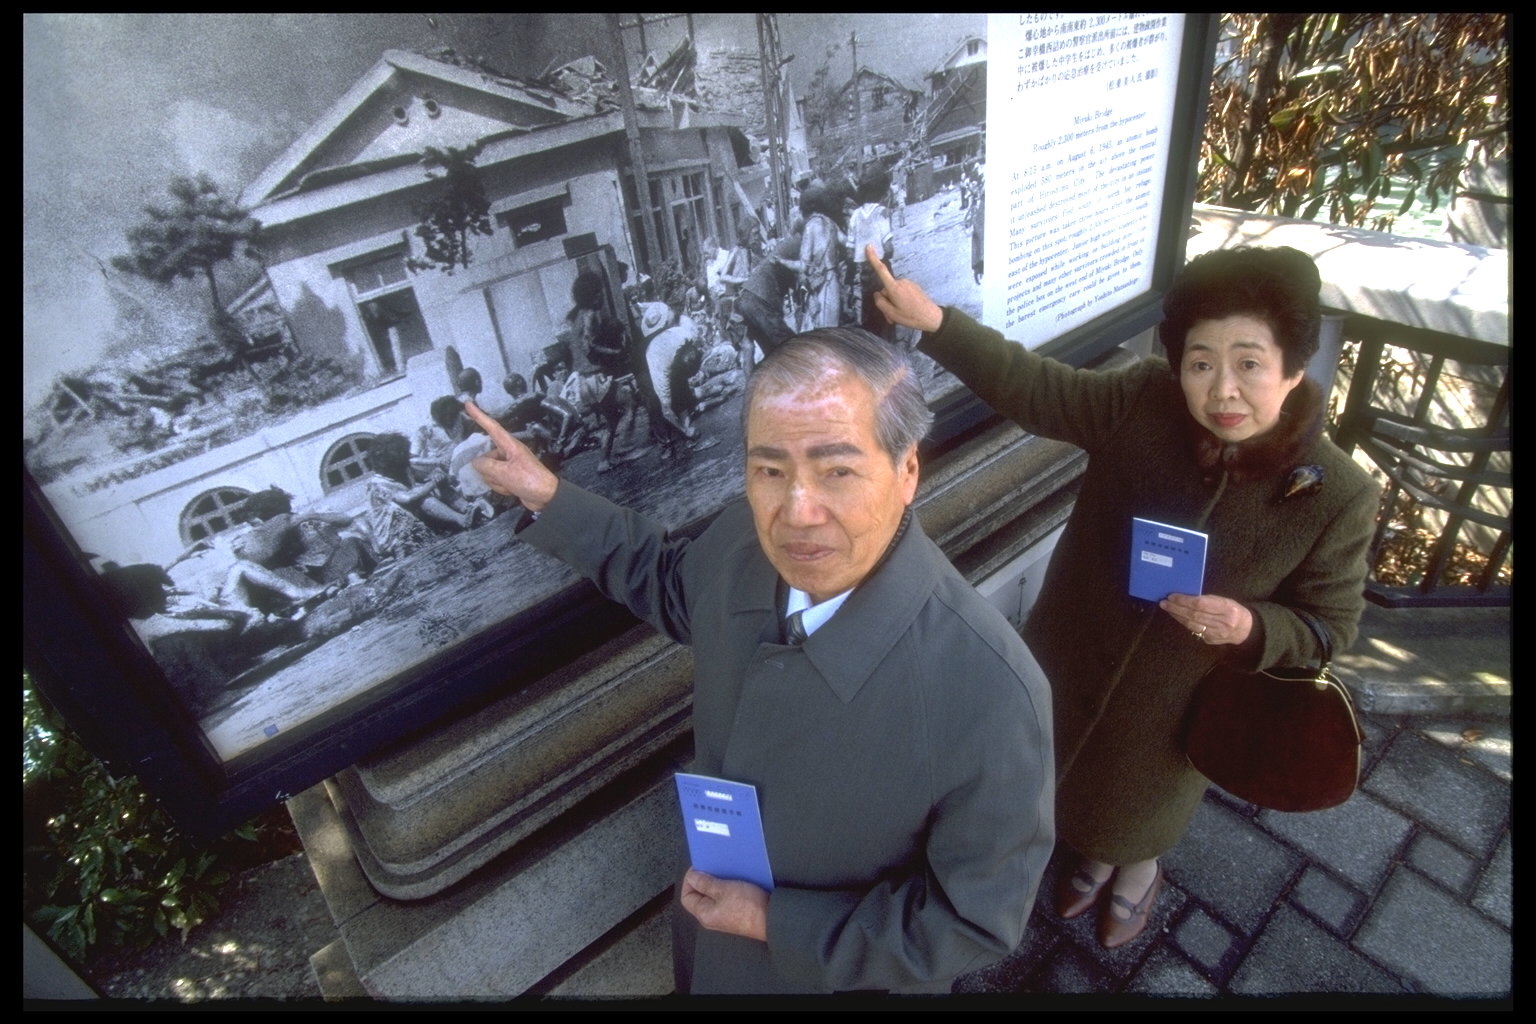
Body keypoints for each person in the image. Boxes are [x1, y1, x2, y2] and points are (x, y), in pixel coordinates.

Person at [465, 328, 1054, 995]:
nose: (796, 512)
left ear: (907, 471)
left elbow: (973, 921)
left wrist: (777, 922)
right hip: (706, 941)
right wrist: (547, 494)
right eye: (770, 470)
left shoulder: (992, 694)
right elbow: (666, 578)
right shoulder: (742, 545)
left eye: (837, 471)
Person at [869, 244, 1378, 949]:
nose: (1223, 391)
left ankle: (1133, 866)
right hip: (1066, 652)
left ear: (1294, 368)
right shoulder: (1142, 400)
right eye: (1201, 363)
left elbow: (1330, 625)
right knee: (1038, 769)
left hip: (1176, 706)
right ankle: (1066, 847)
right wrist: (937, 324)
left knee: (1133, 810)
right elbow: (1035, 387)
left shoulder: (1338, 494)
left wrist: (1251, 627)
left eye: (1249, 364)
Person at [796, 186, 845, 330]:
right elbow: (847, 242)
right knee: (833, 326)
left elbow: (804, 264)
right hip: (834, 281)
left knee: (820, 329)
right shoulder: (831, 223)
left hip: (820, 285)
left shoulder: (810, 227)